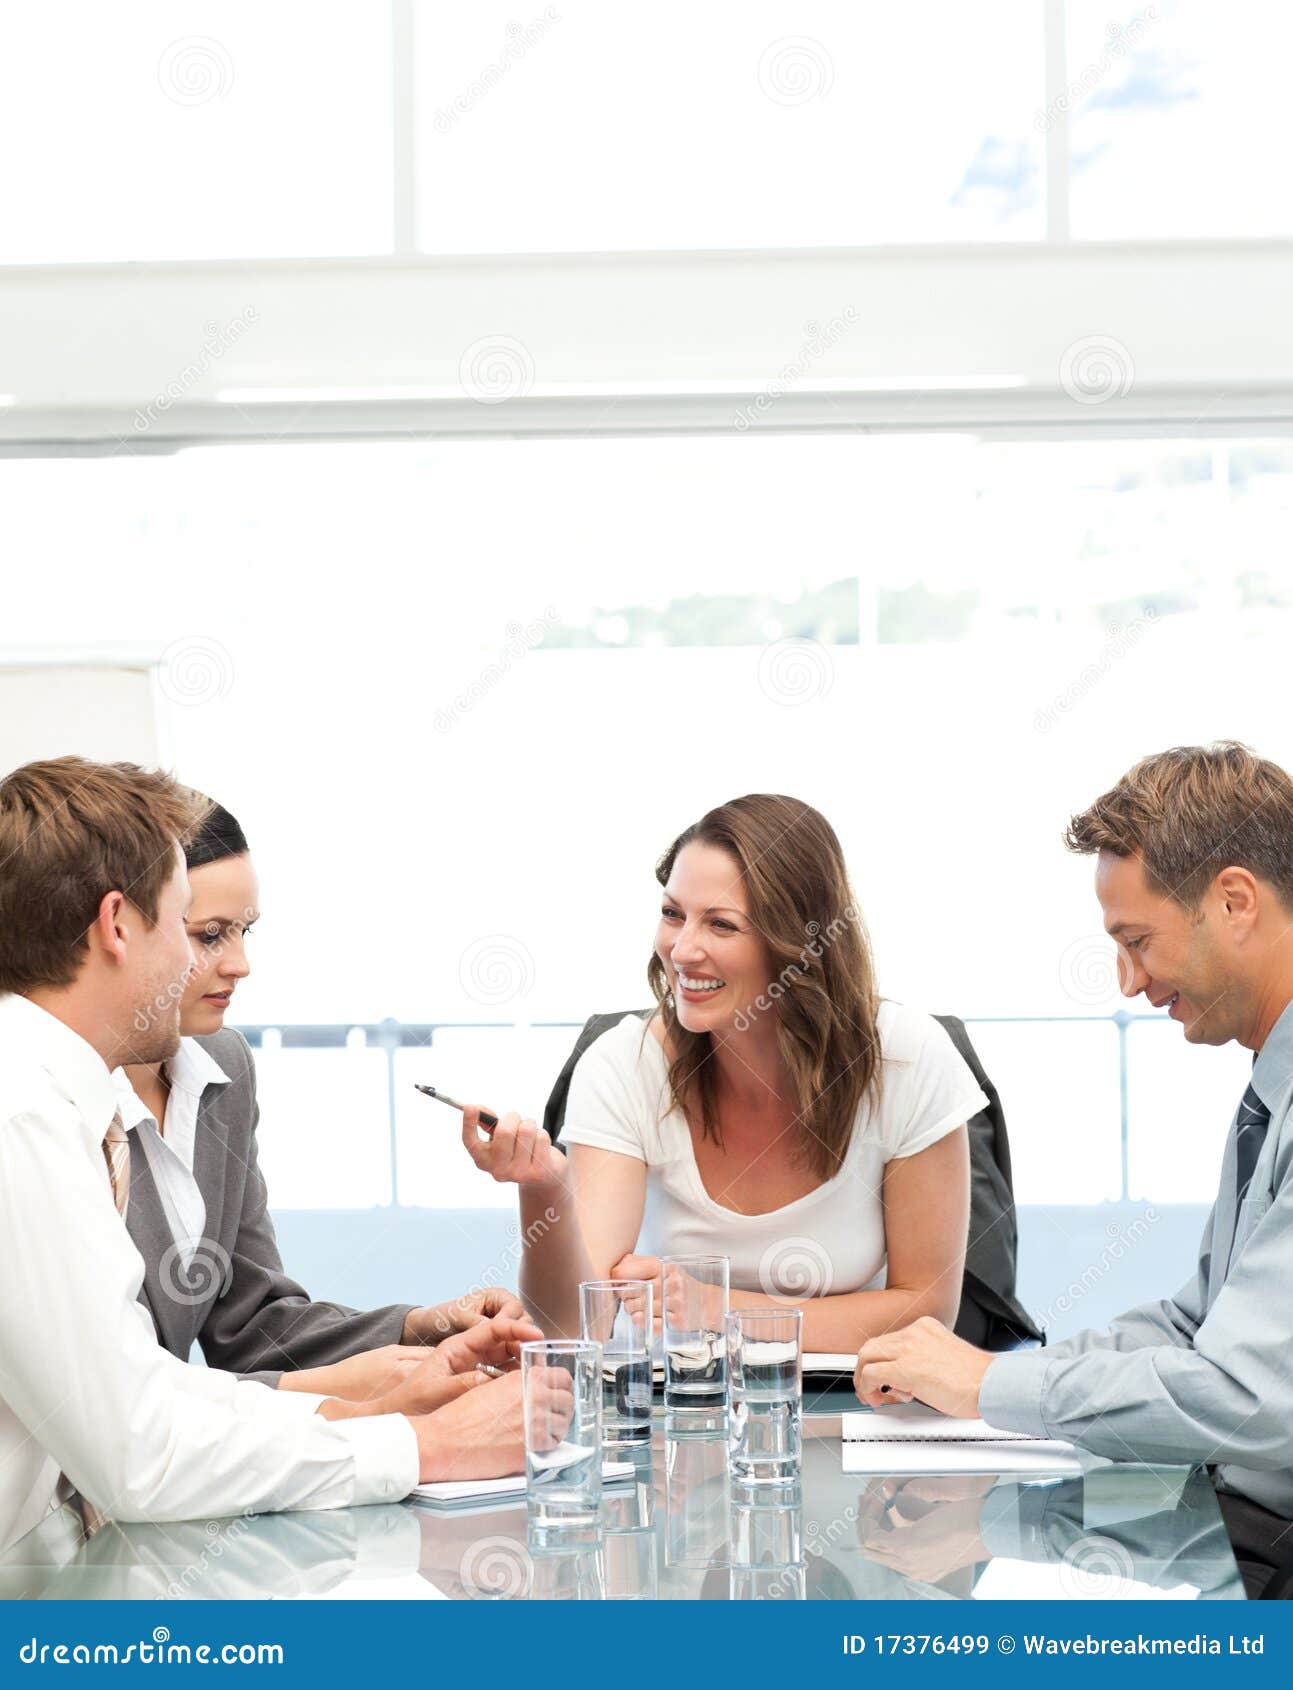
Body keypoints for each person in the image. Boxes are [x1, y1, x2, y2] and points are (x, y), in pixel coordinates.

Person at [0, 757, 568, 1553]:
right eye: (189, 926)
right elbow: (141, 1457)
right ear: (119, 924)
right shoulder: (22, 1115)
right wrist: (429, 1444)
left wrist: (380, 1406)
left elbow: (147, 1387)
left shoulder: (48, 1095)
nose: (221, 963)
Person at [852, 743, 1293, 1595]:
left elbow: (1244, 1395)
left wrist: (990, 1384)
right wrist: (984, 1386)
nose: (1128, 982)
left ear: (1234, 901)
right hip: (1232, 1522)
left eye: (1137, 941)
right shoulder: (1268, 1088)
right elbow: (1193, 1327)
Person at [458, 794, 989, 1349]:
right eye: (673, 914)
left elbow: (926, 1311)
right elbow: (572, 1328)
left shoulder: (906, 1059)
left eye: (721, 924)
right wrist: (545, 1190)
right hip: (682, 1392)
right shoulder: (623, 1066)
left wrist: (717, 1305)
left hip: (852, 1396)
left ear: (799, 944)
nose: (682, 950)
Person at [117, 796, 526, 1405]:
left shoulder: (224, 1065)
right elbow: (118, 1394)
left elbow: (252, 1323)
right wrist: (343, 1394)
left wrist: (424, 1328)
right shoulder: (49, 1100)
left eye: (244, 930)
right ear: (118, 929)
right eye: (209, 935)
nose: (240, 964)